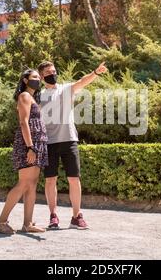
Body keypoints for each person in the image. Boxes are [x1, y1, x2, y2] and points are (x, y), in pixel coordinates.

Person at [38, 60, 108, 230]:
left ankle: (76, 216)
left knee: (74, 179)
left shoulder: (66, 89)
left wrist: (95, 73)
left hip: (69, 140)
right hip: (49, 143)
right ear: (41, 77)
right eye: (48, 72)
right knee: (50, 180)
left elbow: (82, 82)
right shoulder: (38, 96)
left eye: (54, 71)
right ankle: (53, 216)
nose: (52, 74)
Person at [0, 69, 48, 234]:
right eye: (34, 77)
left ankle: (27, 224)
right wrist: (30, 147)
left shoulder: (33, 98)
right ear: (25, 80)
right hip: (28, 144)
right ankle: (1, 220)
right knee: (24, 183)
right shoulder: (24, 96)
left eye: (39, 77)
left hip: (38, 143)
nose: (38, 79)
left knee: (32, 184)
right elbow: (24, 123)